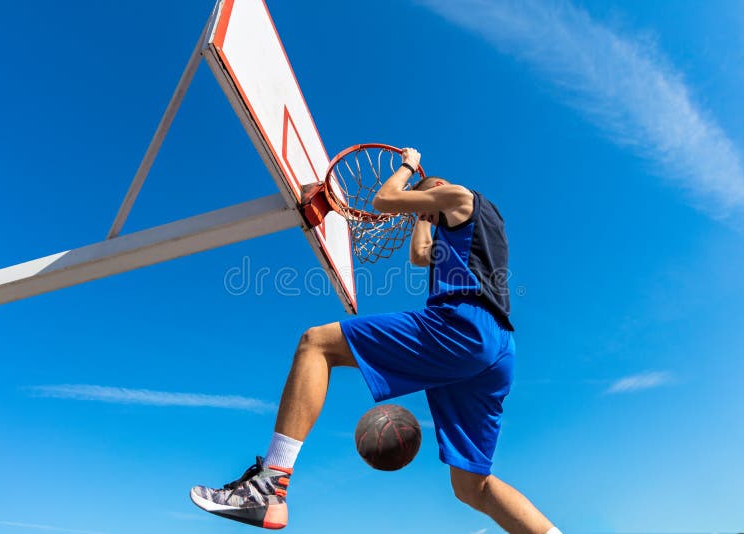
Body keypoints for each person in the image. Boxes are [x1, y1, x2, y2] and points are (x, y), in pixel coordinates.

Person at [190, 148, 560, 534]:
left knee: (316, 343)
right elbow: (419, 256)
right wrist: (423, 217)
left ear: (439, 188)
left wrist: (408, 168)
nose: (427, 210)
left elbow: (383, 199)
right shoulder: (471, 237)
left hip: (464, 325)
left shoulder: (460, 196)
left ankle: (270, 485)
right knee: (472, 488)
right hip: (496, 349)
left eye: (427, 199)